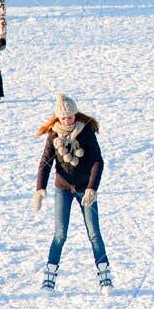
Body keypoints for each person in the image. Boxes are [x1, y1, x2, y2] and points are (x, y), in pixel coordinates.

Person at [33, 93, 112, 292]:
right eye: (64, 117)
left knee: (94, 233)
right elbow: (45, 163)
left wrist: (92, 188)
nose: (68, 120)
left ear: (75, 115)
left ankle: (105, 276)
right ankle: (49, 278)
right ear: (58, 118)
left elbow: (97, 162)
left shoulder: (86, 133)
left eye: (70, 116)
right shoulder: (53, 135)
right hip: (63, 189)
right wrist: (40, 189)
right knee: (60, 234)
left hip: (85, 189)